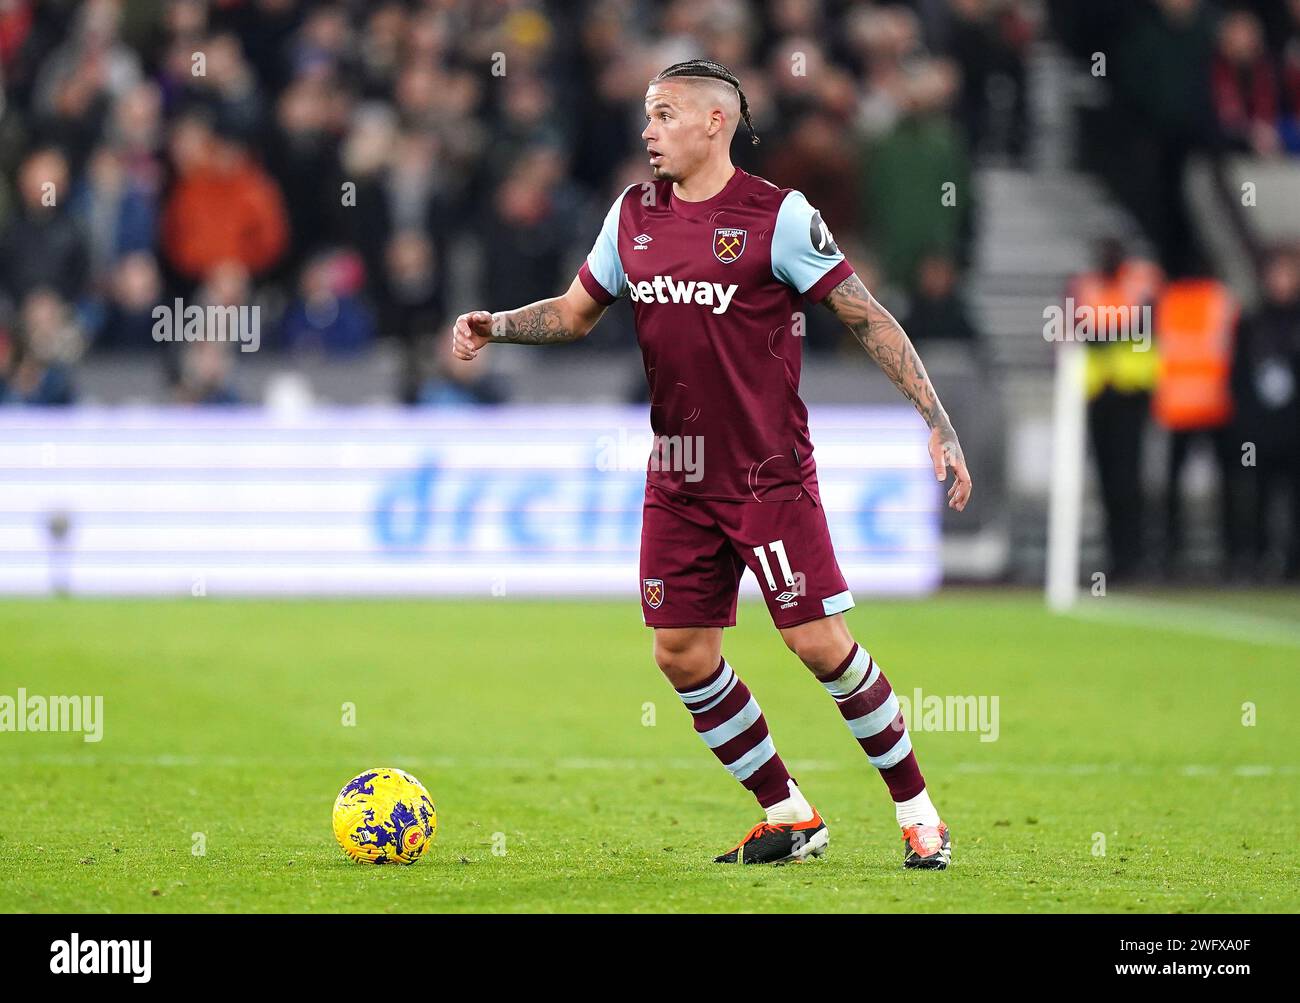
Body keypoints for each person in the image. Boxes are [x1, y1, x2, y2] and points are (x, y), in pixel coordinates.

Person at [451, 60, 971, 870]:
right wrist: (499, 325)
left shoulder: (779, 217)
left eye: (663, 115)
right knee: (681, 650)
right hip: (679, 476)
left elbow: (866, 317)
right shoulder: (631, 217)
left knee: (817, 642)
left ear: (714, 123)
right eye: (647, 116)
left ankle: (918, 812)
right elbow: (575, 311)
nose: (648, 131)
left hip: (767, 473)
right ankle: (789, 813)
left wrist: (935, 418)